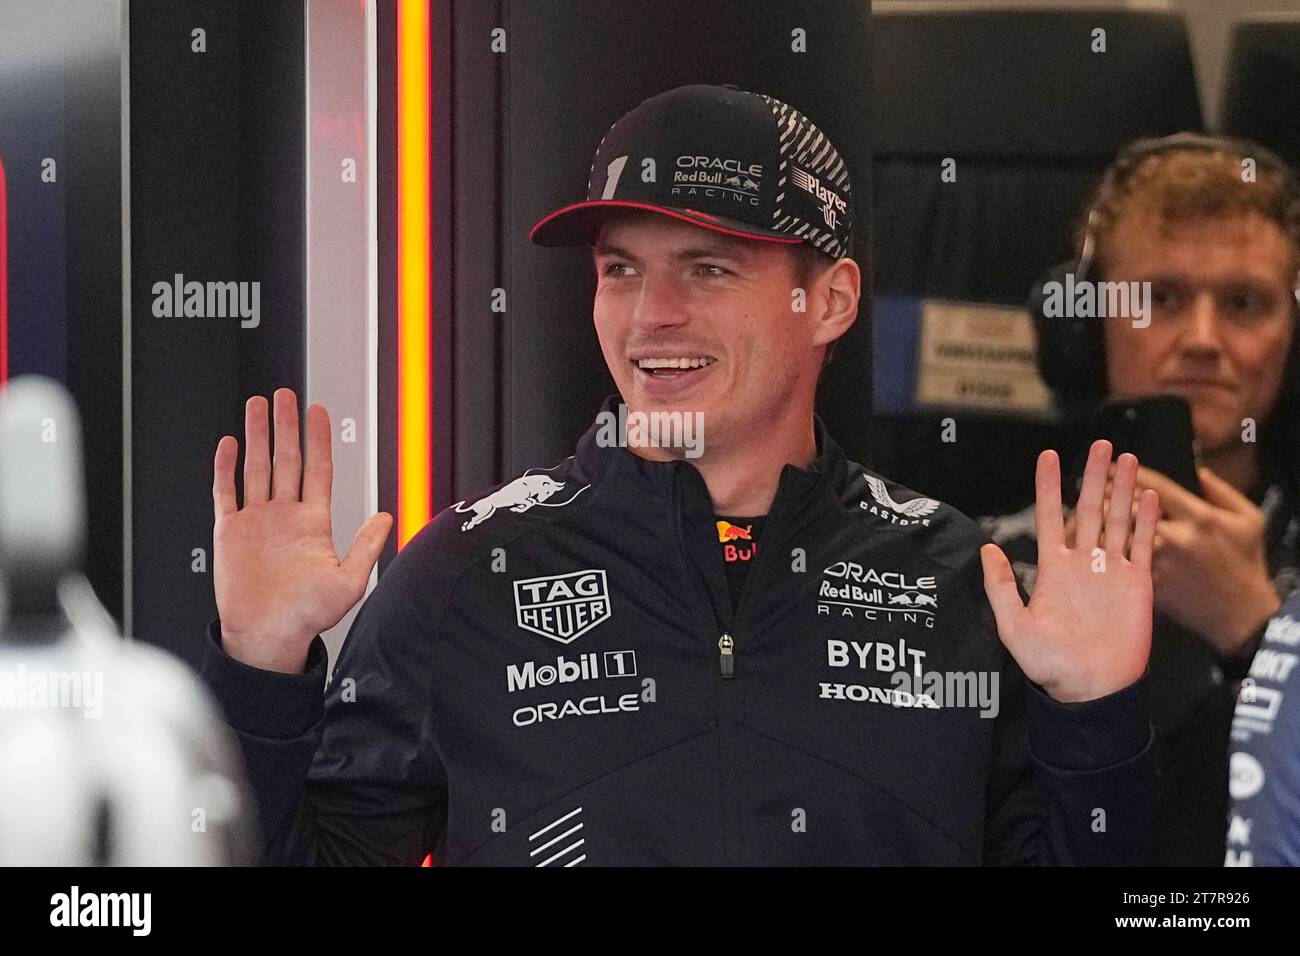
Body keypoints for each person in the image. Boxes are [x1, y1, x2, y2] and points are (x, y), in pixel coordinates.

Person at [201, 83, 1159, 865]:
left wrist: (1098, 719)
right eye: (620, 270)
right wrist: (261, 673)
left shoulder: (959, 579)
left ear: (828, 300)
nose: (652, 313)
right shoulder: (466, 572)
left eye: (708, 268)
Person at [984, 133, 1300, 866]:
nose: (1201, 340)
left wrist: (1257, 634)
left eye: (1246, 303)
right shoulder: (990, 565)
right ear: (1083, 328)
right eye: (1159, 298)